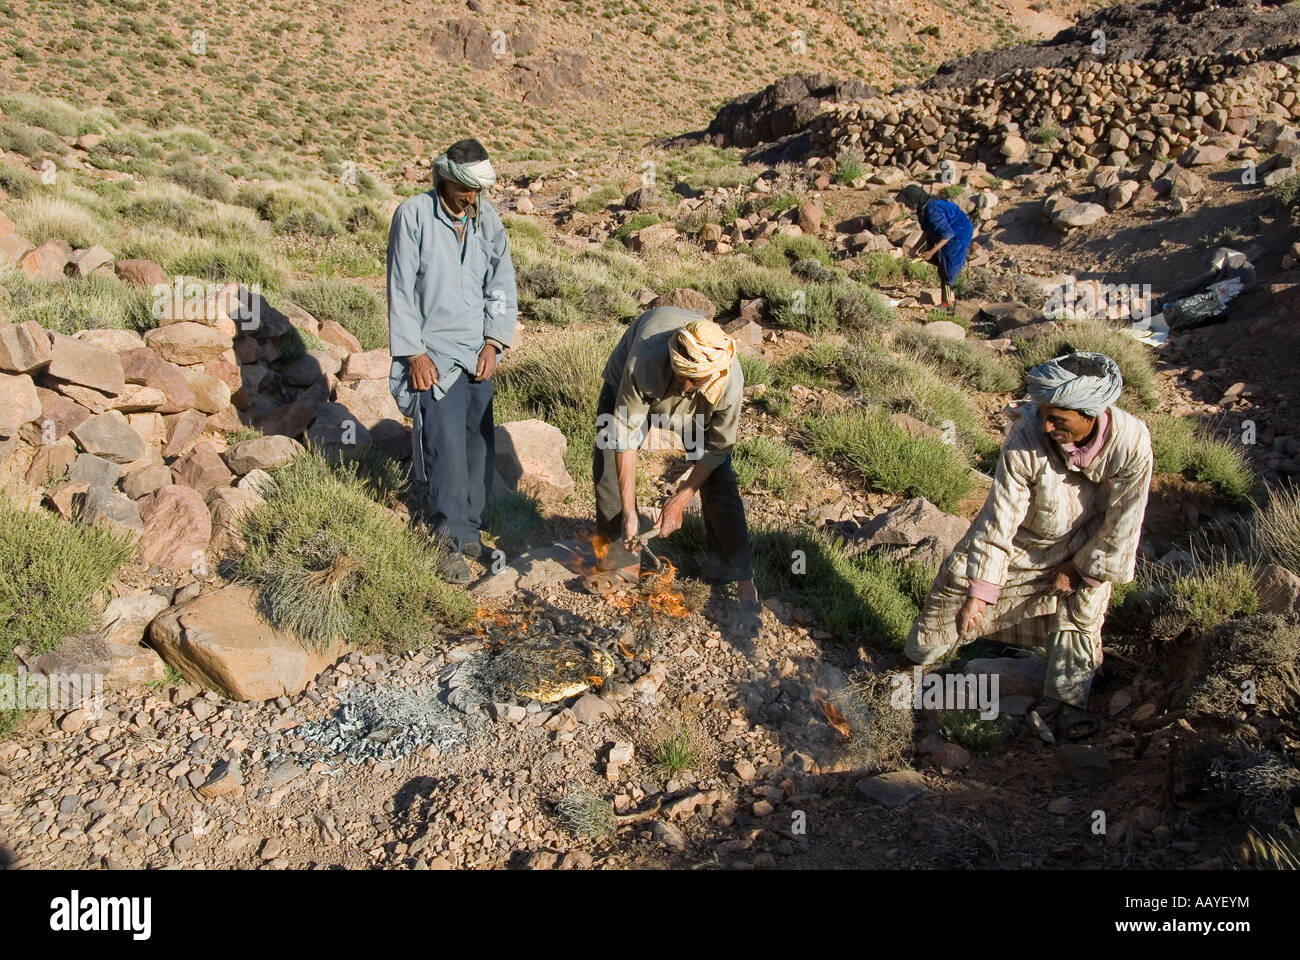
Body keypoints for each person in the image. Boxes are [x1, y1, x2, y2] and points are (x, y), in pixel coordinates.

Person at [903, 352, 1153, 739]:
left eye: (1059, 419)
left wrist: (1081, 569)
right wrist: (982, 590)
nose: (1047, 424)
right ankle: (920, 669)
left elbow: (1124, 522)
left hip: (1088, 545)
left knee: (1080, 614)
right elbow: (999, 518)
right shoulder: (1025, 437)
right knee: (957, 583)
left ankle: (1066, 706)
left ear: (1091, 414)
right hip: (1027, 543)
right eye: (1044, 413)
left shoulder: (1131, 442)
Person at [387, 138, 518, 584]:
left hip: (477, 350)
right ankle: (446, 540)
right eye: (465, 190)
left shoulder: (487, 220)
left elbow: (501, 283)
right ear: (444, 178)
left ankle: (470, 532)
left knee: (478, 443)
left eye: (478, 191)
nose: (472, 199)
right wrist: (414, 354)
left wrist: (494, 341)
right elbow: (400, 290)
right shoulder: (414, 216)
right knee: (443, 446)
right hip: (434, 354)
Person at [589, 305, 759, 613]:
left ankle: (737, 575)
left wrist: (679, 501)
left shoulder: (728, 384)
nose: (683, 386)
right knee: (608, 460)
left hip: (698, 411)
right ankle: (620, 561)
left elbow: (717, 449)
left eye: (692, 380)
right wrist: (629, 511)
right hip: (635, 384)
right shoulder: (644, 360)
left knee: (719, 481)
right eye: (681, 376)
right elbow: (624, 437)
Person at [900, 183, 973, 308]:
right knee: (940, 262)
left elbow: (947, 235)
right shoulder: (922, 211)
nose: (905, 205)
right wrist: (915, 248)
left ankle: (947, 304)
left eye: (907, 202)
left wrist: (931, 252)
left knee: (947, 267)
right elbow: (927, 231)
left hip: (959, 233)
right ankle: (947, 299)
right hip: (948, 233)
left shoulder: (932, 210)